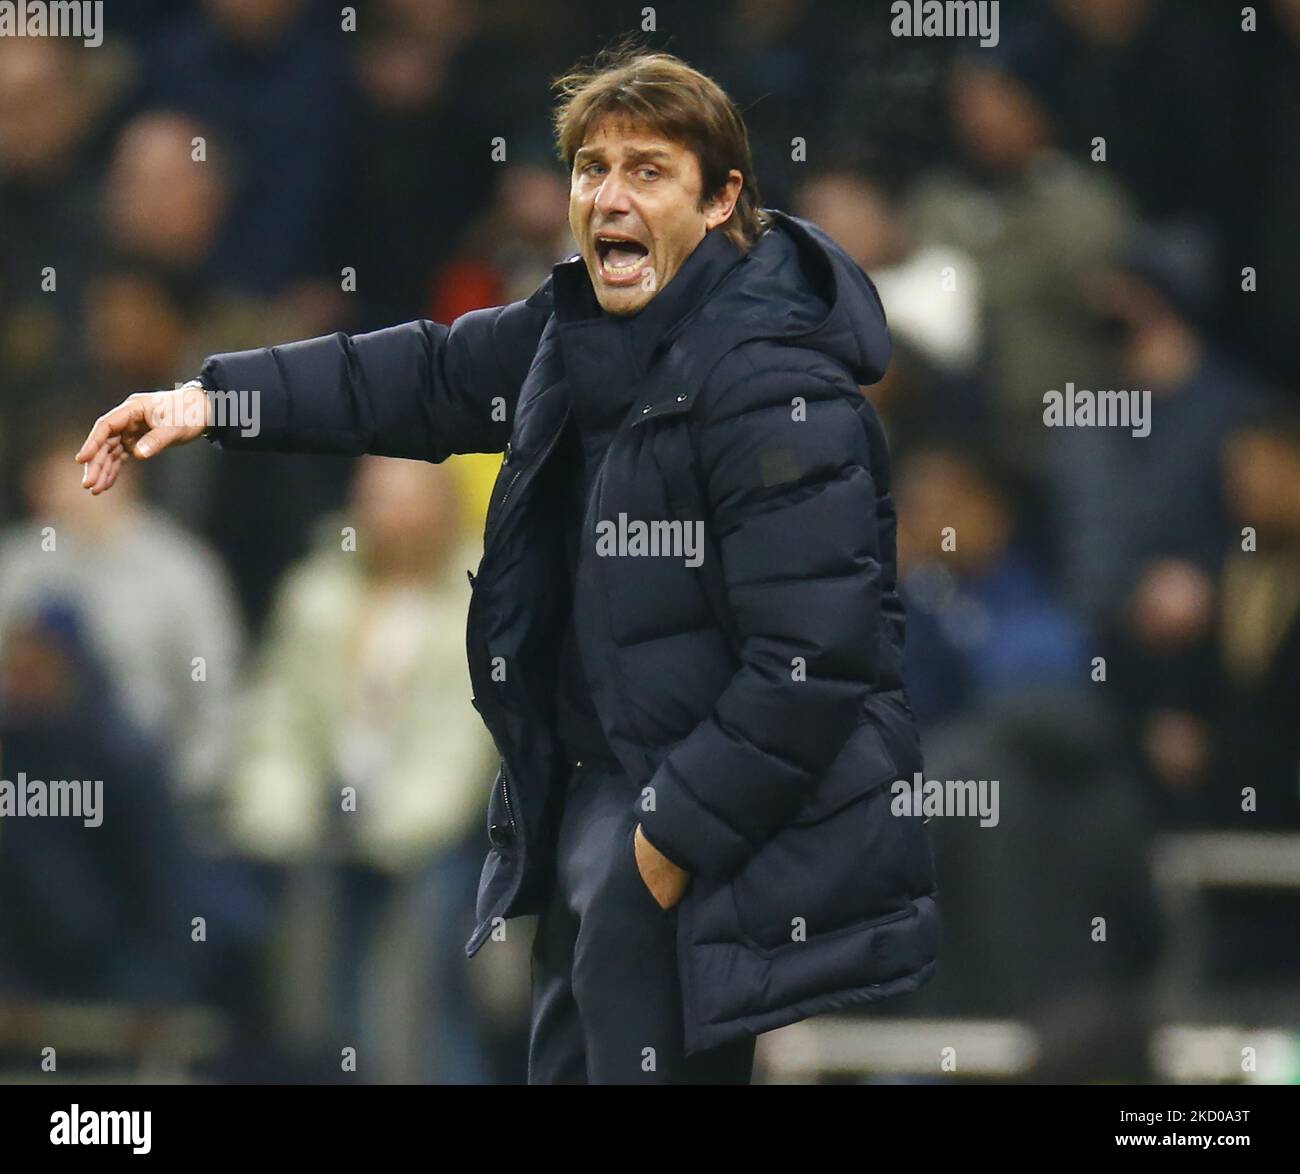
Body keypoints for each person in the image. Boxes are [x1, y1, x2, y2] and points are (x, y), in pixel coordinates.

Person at [74, 47, 938, 1086]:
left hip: (680, 817)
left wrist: (669, 838)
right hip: (598, 801)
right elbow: (421, 375)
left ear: (721, 201)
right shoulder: (572, 332)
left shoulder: (774, 383)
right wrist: (210, 402)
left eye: (648, 171)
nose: (609, 196)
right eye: (592, 169)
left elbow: (817, 655)